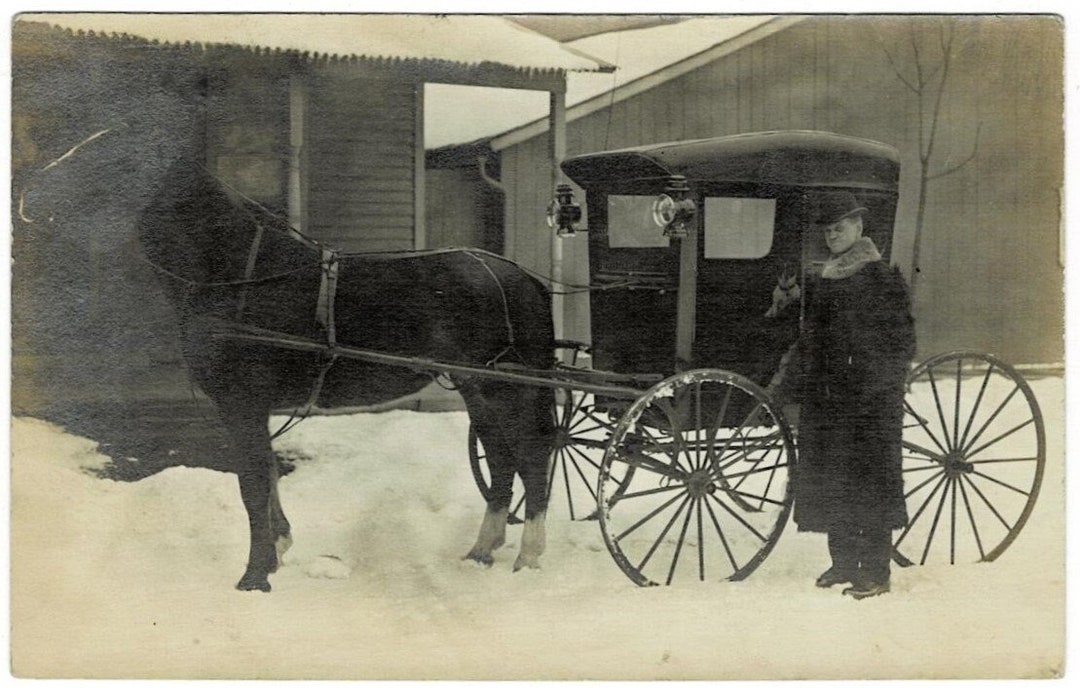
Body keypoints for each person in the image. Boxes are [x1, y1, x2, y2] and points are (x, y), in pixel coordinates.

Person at [787, 190, 917, 600]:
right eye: (827, 231)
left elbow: (900, 343)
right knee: (832, 480)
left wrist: (872, 389)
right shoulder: (827, 278)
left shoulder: (881, 279)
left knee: (869, 484)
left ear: (859, 228)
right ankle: (843, 563)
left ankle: (876, 572)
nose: (832, 236)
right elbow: (814, 339)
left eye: (839, 228)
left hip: (869, 403)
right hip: (830, 399)